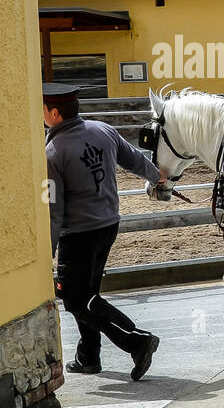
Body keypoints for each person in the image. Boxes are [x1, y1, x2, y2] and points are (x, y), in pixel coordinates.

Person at [43, 82, 162, 380]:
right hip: (108, 225)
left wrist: (48, 248)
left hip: (78, 234)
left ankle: (136, 341)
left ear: (54, 112)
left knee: (74, 298)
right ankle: (89, 357)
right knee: (88, 294)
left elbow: (53, 208)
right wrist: (156, 176)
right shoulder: (103, 129)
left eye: (43, 109)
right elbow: (134, 158)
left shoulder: (52, 153)